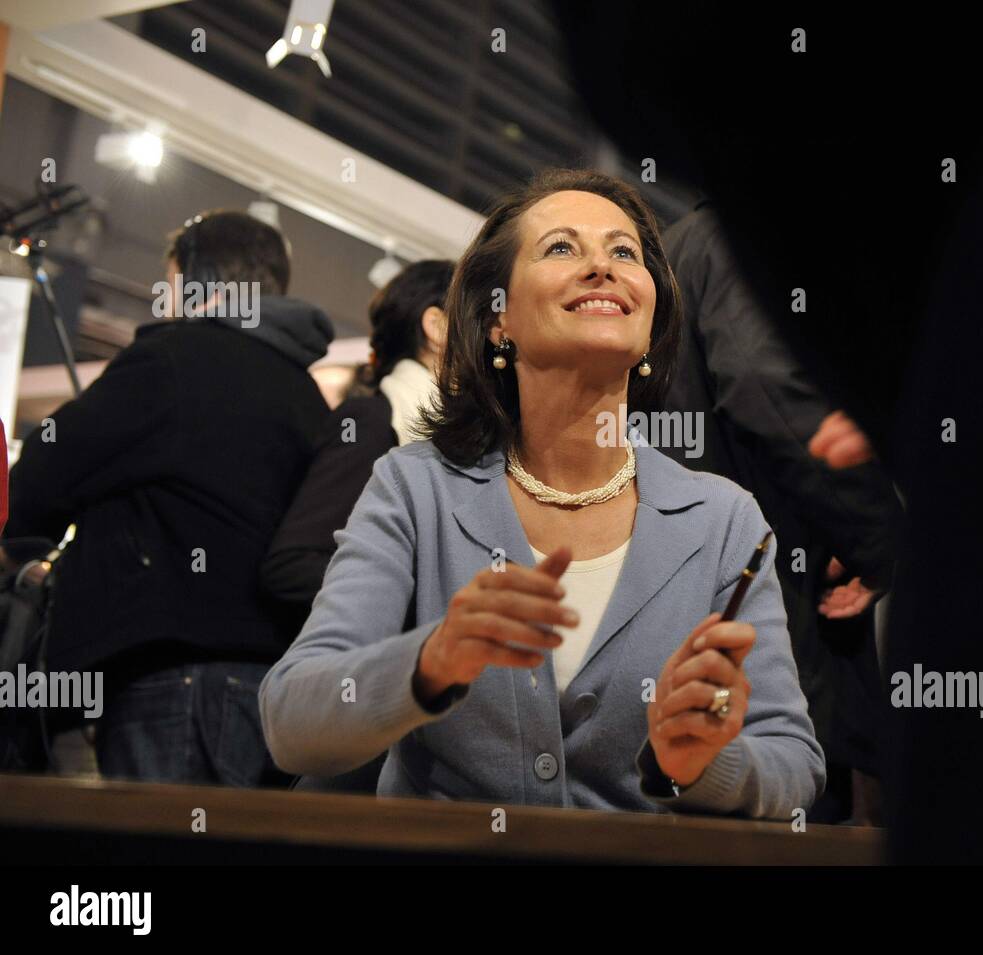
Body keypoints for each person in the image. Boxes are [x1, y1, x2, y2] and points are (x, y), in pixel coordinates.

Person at [259, 168, 825, 817]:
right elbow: (290, 720)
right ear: (498, 318)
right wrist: (429, 660)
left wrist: (700, 762)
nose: (601, 268)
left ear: (650, 314)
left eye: (624, 252)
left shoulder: (724, 518)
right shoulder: (414, 487)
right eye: (561, 247)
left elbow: (793, 763)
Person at [3, 210, 334, 786]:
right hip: (274, 691)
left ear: (188, 281)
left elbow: (45, 473)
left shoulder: (175, 358)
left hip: (171, 677)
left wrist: (27, 547)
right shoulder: (307, 397)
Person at [661, 200, 903, 824]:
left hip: (729, 588)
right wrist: (881, 538)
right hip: (768, 599)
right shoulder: (743, 233)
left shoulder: (694, 241)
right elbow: (770, 387)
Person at [261, 259, 454, 620]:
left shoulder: (461, 444)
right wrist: (428, 609)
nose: (496, 338)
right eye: (481, 321)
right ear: (437, 327)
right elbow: (294, 565)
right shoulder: (373, 422)